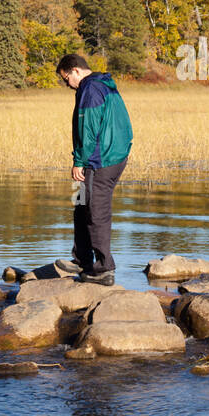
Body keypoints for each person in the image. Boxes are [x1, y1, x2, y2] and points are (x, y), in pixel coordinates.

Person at [55, 54, 133, 285]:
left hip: (100, 160)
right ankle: (82, 259)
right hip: (111, 156)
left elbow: (87, 129)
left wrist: (79, 160)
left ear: (76, 71)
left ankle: (103, 270)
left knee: (95, 212)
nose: (67, 84)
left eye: (66, 78)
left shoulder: (91, 90)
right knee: (81, 205)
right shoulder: (102, 85)